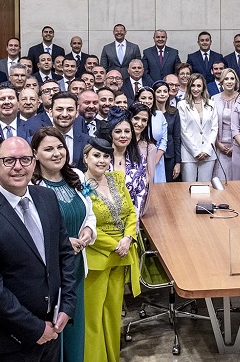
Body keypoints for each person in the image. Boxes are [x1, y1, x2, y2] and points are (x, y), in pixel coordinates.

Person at [0, 136, 78, 362]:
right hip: (12, 340)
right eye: (9, 160)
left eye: (25, 160)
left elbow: (64, 255)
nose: (18, 167)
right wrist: (35, 328)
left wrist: (67, 305)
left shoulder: (47, 198)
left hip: (53, 328)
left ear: (34, 163)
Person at [31, 128, 97, 362]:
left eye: (60, 147)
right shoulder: (32, 186)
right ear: (35, 154)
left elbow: (89, 213)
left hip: (76, 266)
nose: (57, 153)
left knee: (74, 329)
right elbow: (30, 229)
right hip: (50, 272)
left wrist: (89, 231)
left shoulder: (76, 176)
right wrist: (62, 242)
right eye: (48, 149)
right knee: (54, 329)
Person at [81, 135, 141, 362]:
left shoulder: (117, 178)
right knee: (93, 317)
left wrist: (127, 238)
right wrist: (115, 244)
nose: (102, 160)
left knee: (113, 313)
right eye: (96, 155)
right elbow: (85, 222)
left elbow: (132, 211)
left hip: (122, 255)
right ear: (85, 157)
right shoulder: (80, 186)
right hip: (97, 256)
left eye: (106, 156)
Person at [99, 106, 148, 217]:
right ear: (110, 134)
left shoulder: (140, 160)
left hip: (132, 219)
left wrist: (134, 219)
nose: (123, 136)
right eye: (118, 131)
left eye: (127, 131)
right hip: (104, 219)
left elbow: (141, 193)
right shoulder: (100, 159)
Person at [177, 73, 218, 181]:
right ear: (189, 87)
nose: (196, 89)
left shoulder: (211, 104)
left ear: (203, 87)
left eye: (199, 86)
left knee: (205, 188)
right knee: (187, 188)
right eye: (193, 85)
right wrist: (196, 151)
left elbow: (214, 128)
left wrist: (207, 150)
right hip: (189, 153)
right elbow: (183, 130)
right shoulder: (182, 105)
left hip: (208, 154)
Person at [212, 67, 240, 181]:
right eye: (226, 79)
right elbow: (212, 125)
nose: (229, 81)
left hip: (238, 145)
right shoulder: (214, 99)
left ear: (236, 81)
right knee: (221, 180)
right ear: (221, 81)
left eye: (232, 78)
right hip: (220, 145)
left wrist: (235, 147)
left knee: (237, 181)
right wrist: (217, 144)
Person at [150, 80, 182, 182]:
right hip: (152, 155)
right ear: (154, 94)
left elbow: (177, 138)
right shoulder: (148, 113)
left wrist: (178, 162)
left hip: (169, 156)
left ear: (168, 94)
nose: (162, 94)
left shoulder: (174, 112)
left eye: (165, 91)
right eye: (159, 91)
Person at [128, 102, 158, 184]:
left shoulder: (150, 147)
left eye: (144, 120)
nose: (139, 123)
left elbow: (149, 177)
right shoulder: (121, 143)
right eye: (136, 118)